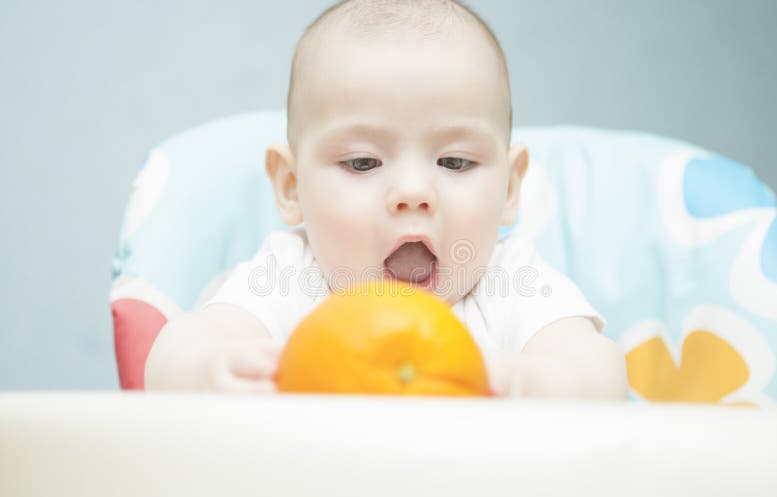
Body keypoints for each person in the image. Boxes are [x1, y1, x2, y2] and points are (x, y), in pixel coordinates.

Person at [145, 0, 628, 399]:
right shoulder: (287, 276)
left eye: (455, 162)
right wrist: (210, 370)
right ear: (291, 186)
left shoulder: (511, 282)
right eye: (363, 163)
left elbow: (598, 373)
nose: (413, 193)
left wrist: (526, 382)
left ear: (508, 188)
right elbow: (178, 349)